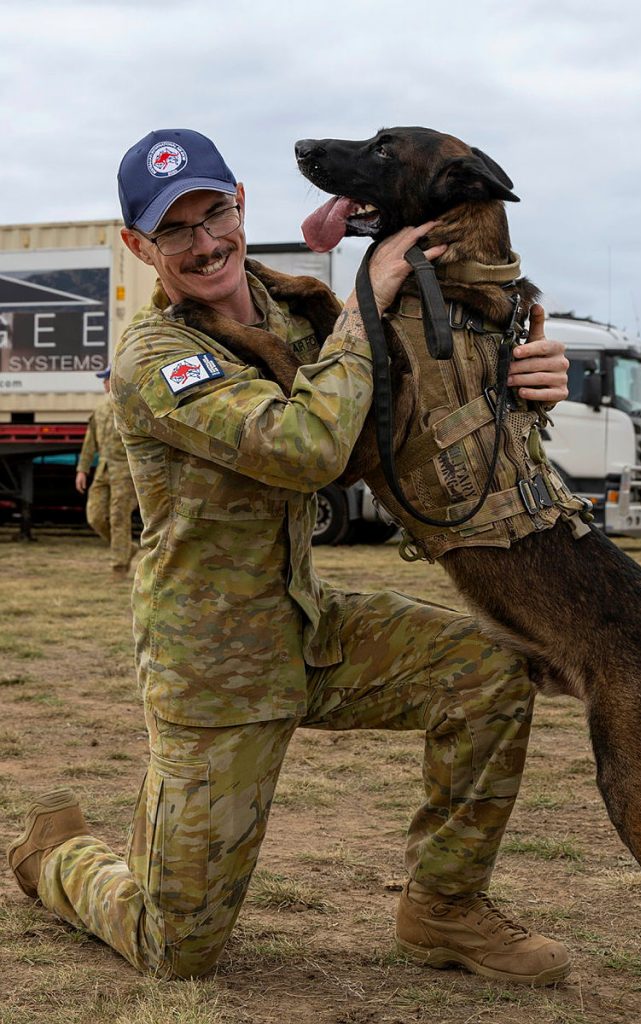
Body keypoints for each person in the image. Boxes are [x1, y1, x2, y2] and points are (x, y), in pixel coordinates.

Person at [8, 129, 572, 986]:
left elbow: (404, 414)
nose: (205, 244)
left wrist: (525, 377)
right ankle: (58, 855)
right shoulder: (156, 357)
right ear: (138, 246)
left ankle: (444, 910)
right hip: (212, 667)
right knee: (178, 947)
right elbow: (307, 443)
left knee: (492, 668)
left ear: (241, 202)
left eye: (216, 213)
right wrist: (366, 302)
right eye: (175, 231)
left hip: (308, 629)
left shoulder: (294, 312)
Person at [75, 366, 138, 575]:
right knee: (95, 516)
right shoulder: (100, 410)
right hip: (103, 469)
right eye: (103, 380)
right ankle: (126, 548)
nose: (104, 383)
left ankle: (119, 567)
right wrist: (82, 470)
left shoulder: (130, 408)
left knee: (119, 516)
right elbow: (89, 442)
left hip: (124, 470)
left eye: (108, 379)